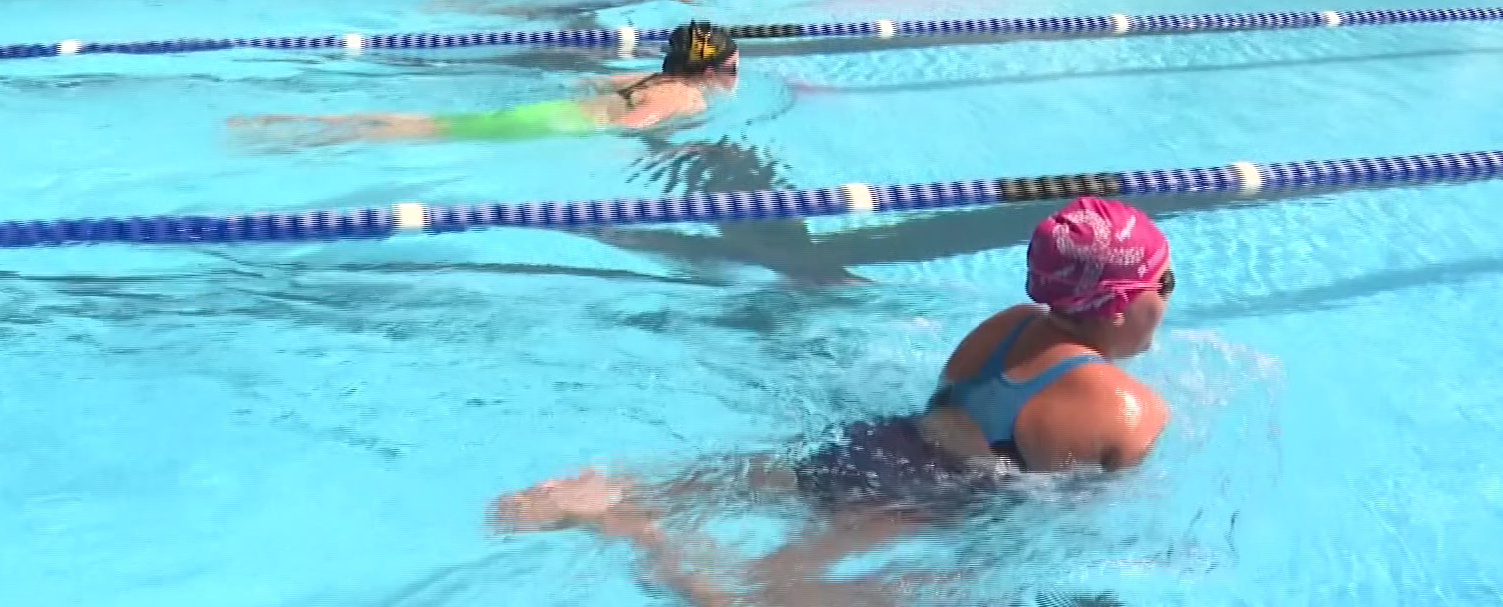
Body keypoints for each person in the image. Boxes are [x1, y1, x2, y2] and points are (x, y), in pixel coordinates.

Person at [492, 197, 1174, 607]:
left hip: (880, 442)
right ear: (1118, 308)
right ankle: (632, 530)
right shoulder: (1128, 412)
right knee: (752, 596)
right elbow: (1075, 530)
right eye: (1162, 282)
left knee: (750, 484)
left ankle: (606, 494)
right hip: (923, 499)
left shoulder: (1006, 325)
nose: (1169, 297)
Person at [228, 22, 739, 146]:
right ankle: (288, 135)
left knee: (426, 125)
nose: (736, 78)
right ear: (710, 72)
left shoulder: (654, 76)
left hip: (553, 109)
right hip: (554, 125)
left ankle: (285, 124)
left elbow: (591, 81)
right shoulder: (684, 96)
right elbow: (628, 128)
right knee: (423, 132)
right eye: (733, 68)